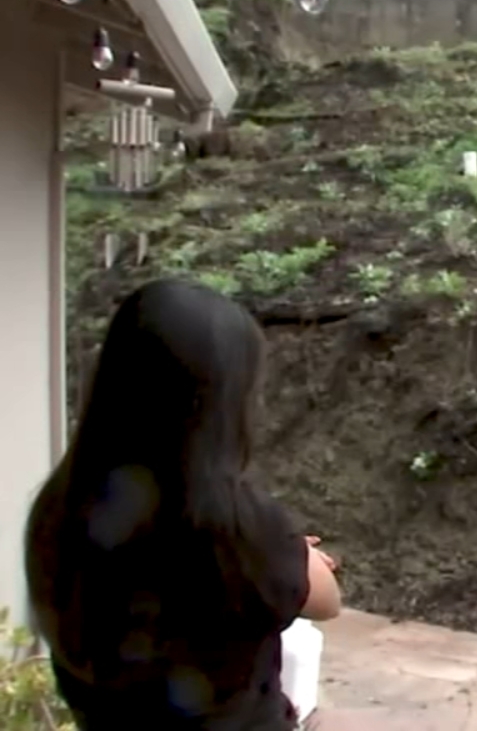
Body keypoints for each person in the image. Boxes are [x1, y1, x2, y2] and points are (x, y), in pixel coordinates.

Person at [25, 279, 342, 730]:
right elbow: (326, 600)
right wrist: (295, 552)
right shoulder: (234, 527)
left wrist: (275, 554)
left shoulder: (58, 507)